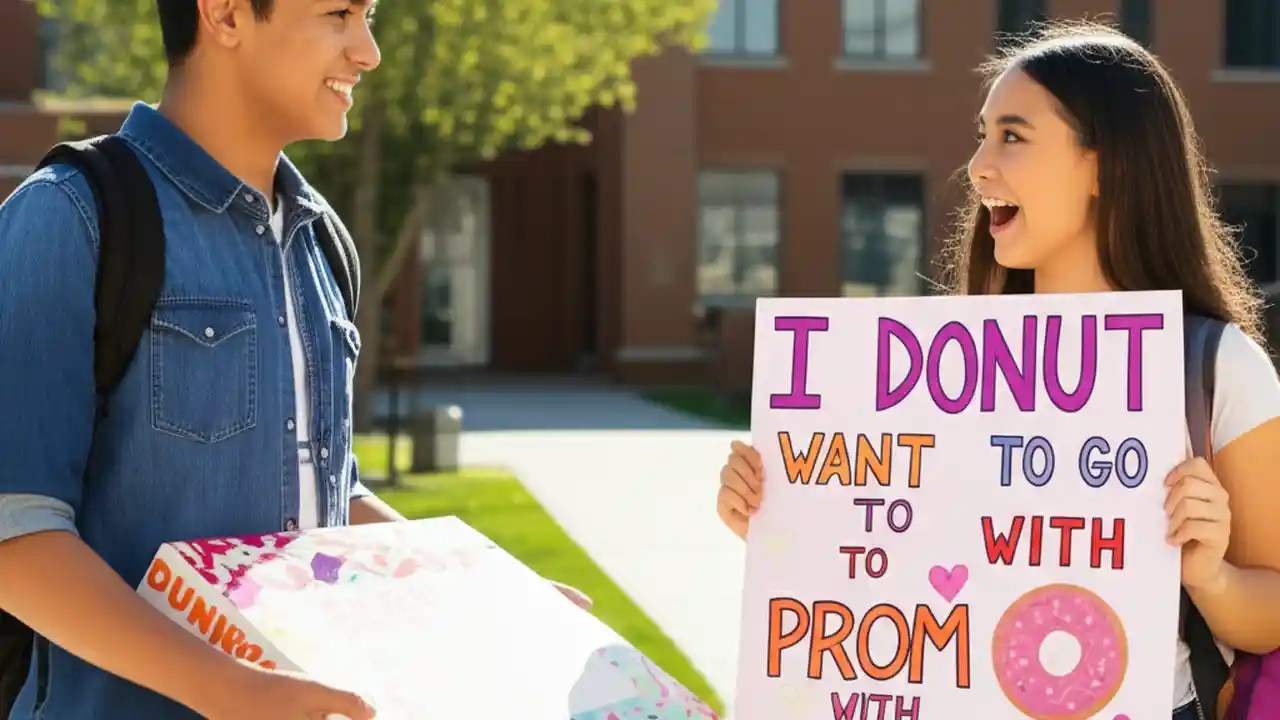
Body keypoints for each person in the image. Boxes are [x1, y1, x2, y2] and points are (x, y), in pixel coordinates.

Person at [0, 1, 587, 718]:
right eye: (339, 14)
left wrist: (494, 600)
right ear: (224, 14)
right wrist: (228, 688)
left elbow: (328, 493)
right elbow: (15, 533)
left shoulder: (322, 245)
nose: (368, 51)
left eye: (368, 16)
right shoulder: (72, 216)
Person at [715, 20, 1280, 720]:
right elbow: (903, 559)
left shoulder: (1216, 368)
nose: (979, 166)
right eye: (982, 135)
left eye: (1012, 136)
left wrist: (1210, 576)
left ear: (1110, 164)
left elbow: (1272, 610)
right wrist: (789, 520)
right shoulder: (936, 369)